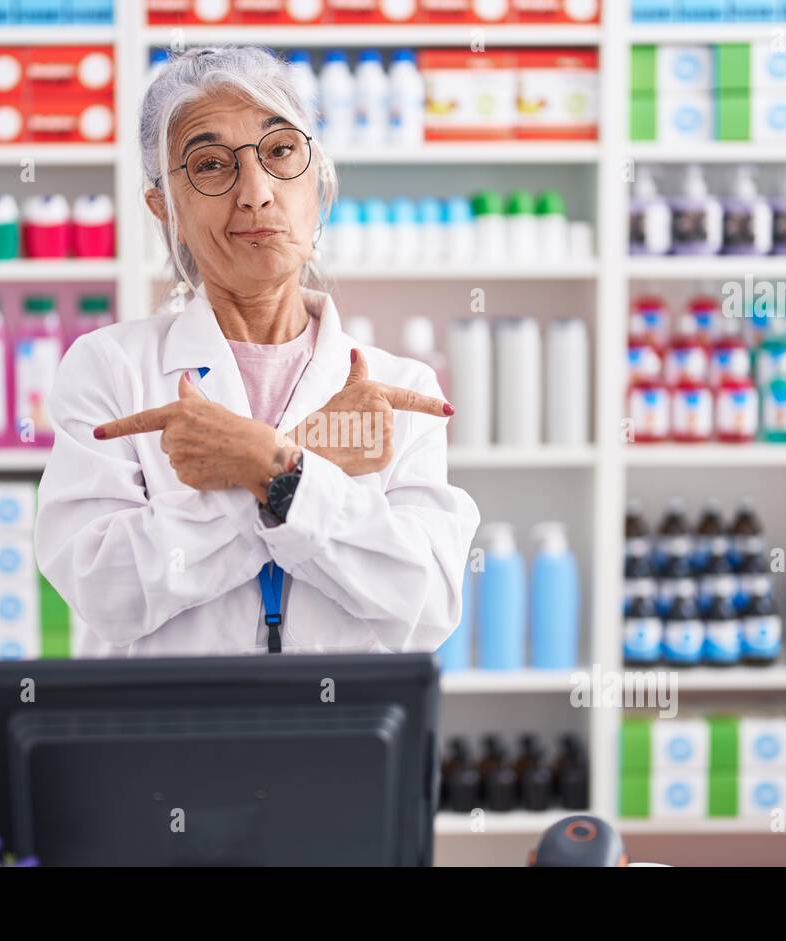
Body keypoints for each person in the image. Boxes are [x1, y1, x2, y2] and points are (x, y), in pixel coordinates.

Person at [36, 46, 481, 656]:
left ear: (317, 183)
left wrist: (273, 468)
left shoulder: (399, 387)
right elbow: (106, 591)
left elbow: (425, 606)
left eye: (279, 152)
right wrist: (290, 464)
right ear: (165, 208)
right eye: (212, 164)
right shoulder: (110, 369)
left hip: (340, 740)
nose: (256, 192)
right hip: (168, 741)